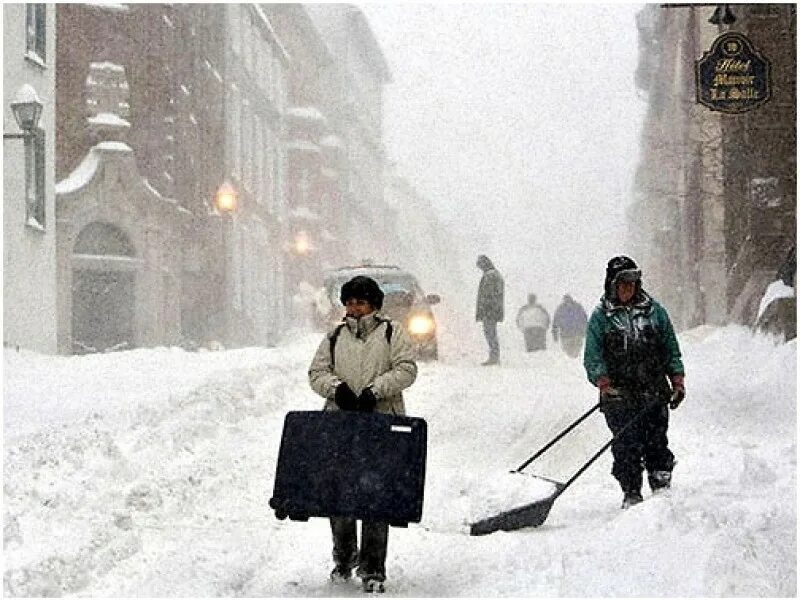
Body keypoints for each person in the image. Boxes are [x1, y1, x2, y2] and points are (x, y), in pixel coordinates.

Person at [308, 275, 418, 593]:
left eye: (361, 302)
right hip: (340, 427)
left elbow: (406, 368)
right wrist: (336, 389)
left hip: (381, 425)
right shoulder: (334, 337)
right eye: (350, 302)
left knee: (375, 498)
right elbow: (316, 373)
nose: (355, 308)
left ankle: (373, 568)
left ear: (373, 304)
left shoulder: (391, 333)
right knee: (339, 496)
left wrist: (375, 391)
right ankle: (344, 559)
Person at [583, 256, 685, 509]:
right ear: (612, 285)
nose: (628, 289)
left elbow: (671, 348)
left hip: (654, 392)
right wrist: (605, 384)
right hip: (619, 396)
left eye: (633, 283)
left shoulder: (655, 312)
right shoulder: (601, 317)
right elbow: (592, 357)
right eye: (623, 284)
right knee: (626, 444)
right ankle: (631, 492)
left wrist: (677, 381)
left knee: (656, 440)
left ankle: (661, 491)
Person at [475, 255, 504, 365]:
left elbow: (488, 295)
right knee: (491, 334)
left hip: (489, 311)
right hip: (493, 311)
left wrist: (485, 310)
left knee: (490, 334)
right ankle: (494, 356)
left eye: (480, 265)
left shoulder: (490, 276)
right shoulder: (495, 275)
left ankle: (494, 357)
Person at [552, 294, 588, 358]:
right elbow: (584, 319)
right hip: (576, 333)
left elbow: (556, 322)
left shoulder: (560, 309)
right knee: (575, 349)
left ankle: (572, 361)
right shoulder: (578, 307)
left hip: (567, 334)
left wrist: (555, 334)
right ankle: (574, 360)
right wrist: (586, 331)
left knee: (569, 351)